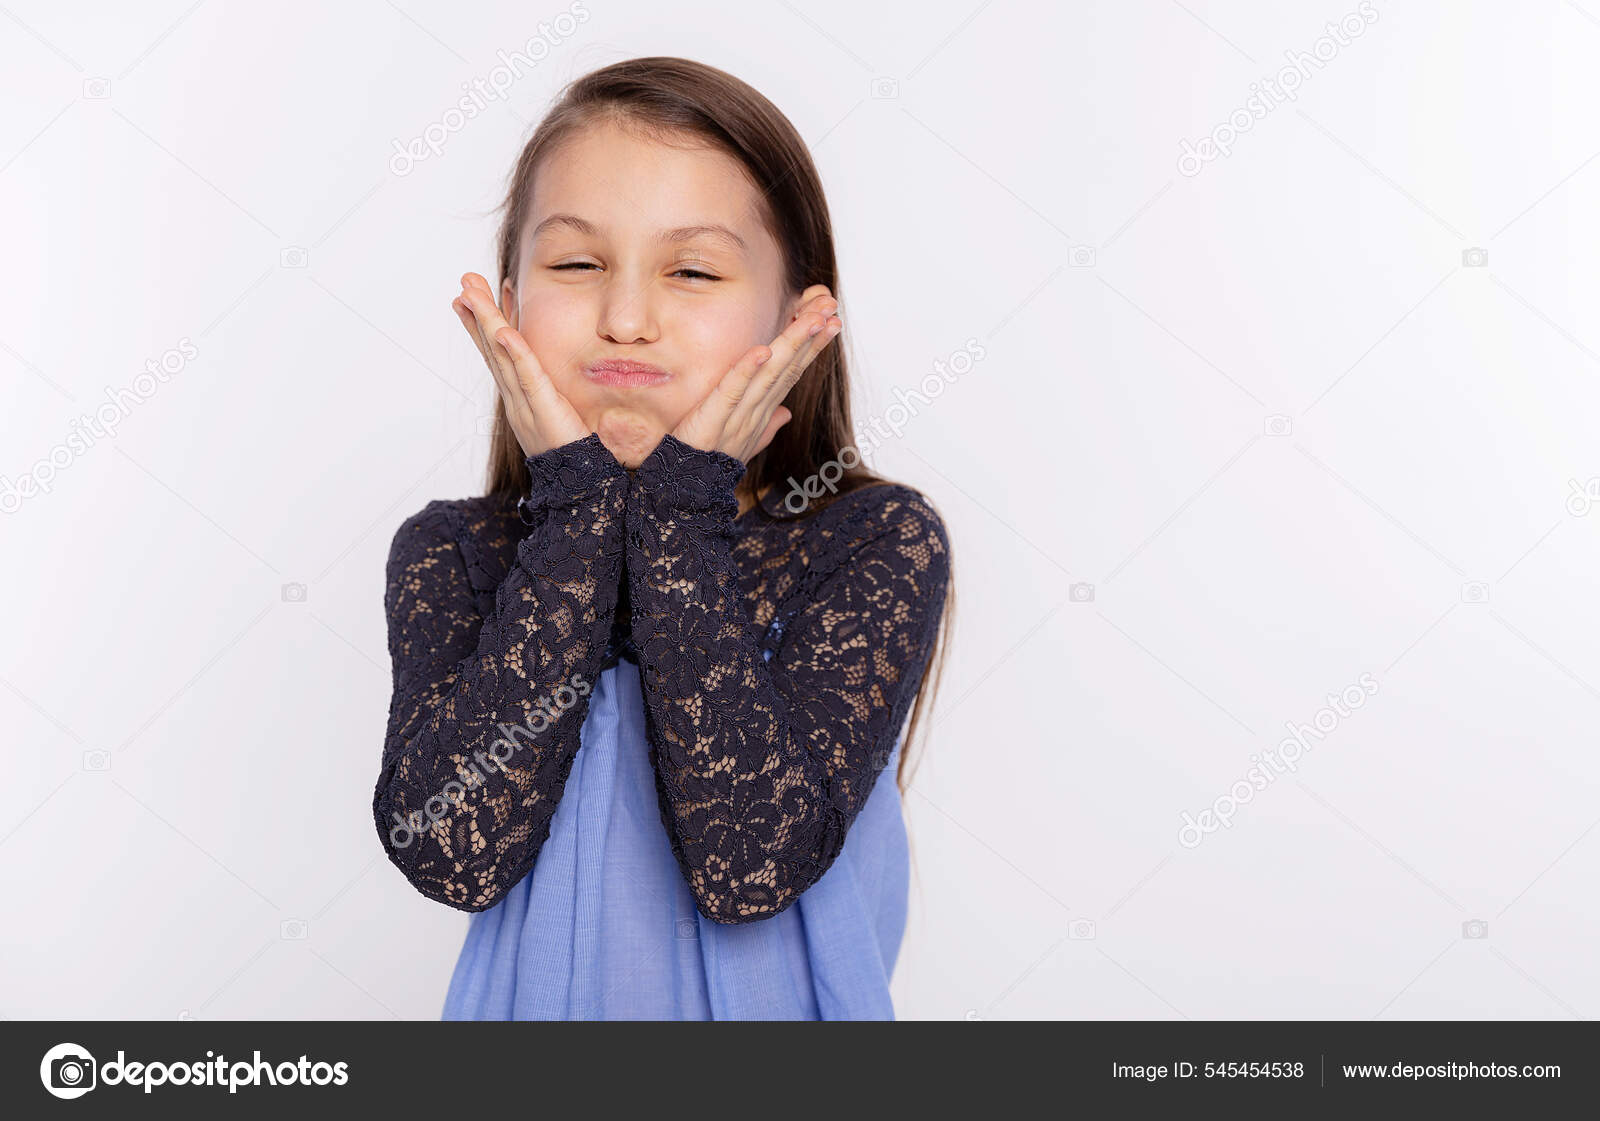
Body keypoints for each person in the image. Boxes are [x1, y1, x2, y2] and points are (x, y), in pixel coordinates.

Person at [372, 56, 954, 1020]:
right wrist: (577, 509)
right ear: (507, 305)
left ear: (799, 318)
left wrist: (681, 507)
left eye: (692, 270)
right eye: (576, 264)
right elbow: (450, 852)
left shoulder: (872, 539)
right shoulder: (456, 551)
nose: (626, 319)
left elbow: (748, 866)